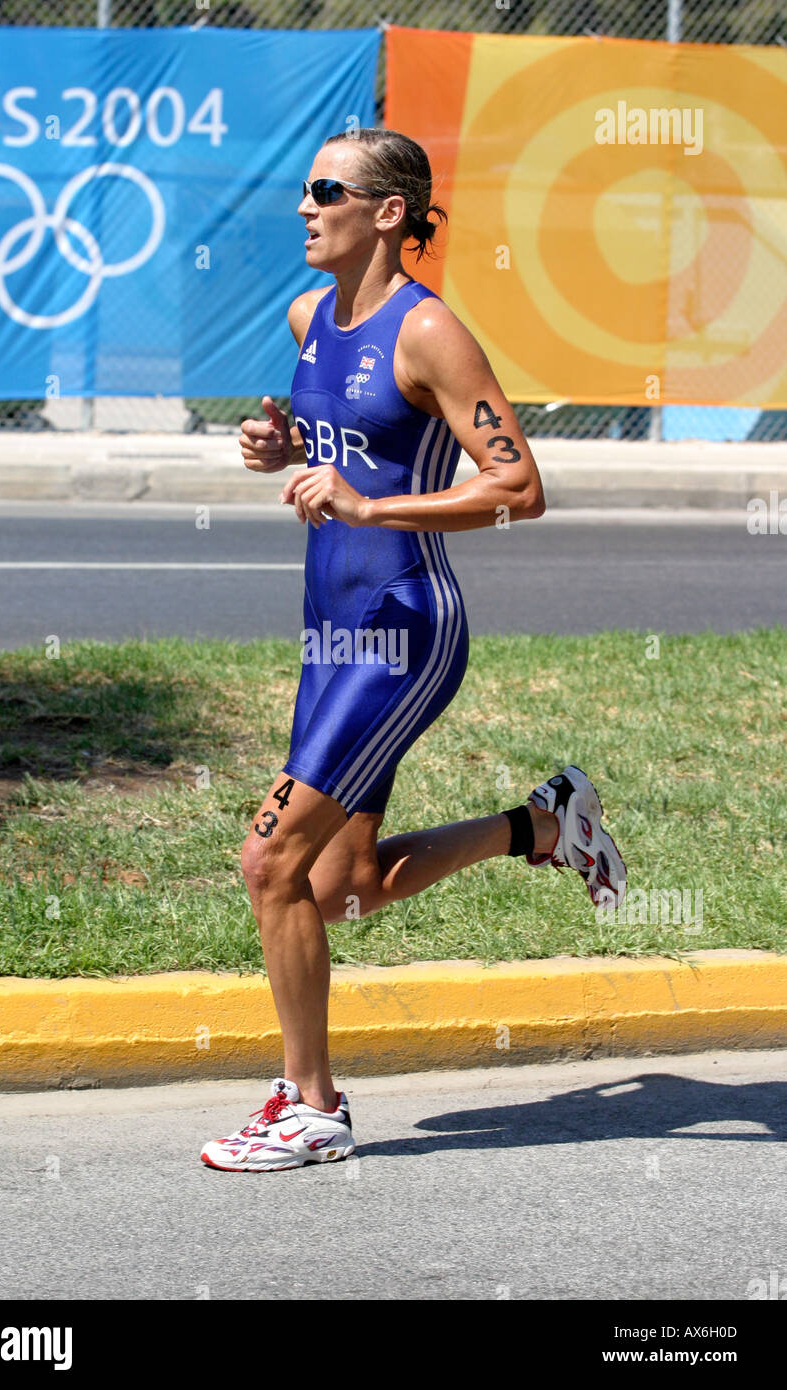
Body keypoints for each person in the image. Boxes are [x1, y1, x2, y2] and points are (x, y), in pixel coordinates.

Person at [200, 129, 626, 1173]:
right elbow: (342, 437)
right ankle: (539, 824)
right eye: (303, 189)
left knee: (269, 860)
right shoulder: (309, 316)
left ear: (386, 210)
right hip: (328, 631)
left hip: (402, 627)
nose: (304, 207)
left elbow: (517, 485)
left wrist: (366, 503)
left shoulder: (428, 330)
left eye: (325, 190)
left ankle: (310, 1105)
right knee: (343, 887)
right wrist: (281, 449)